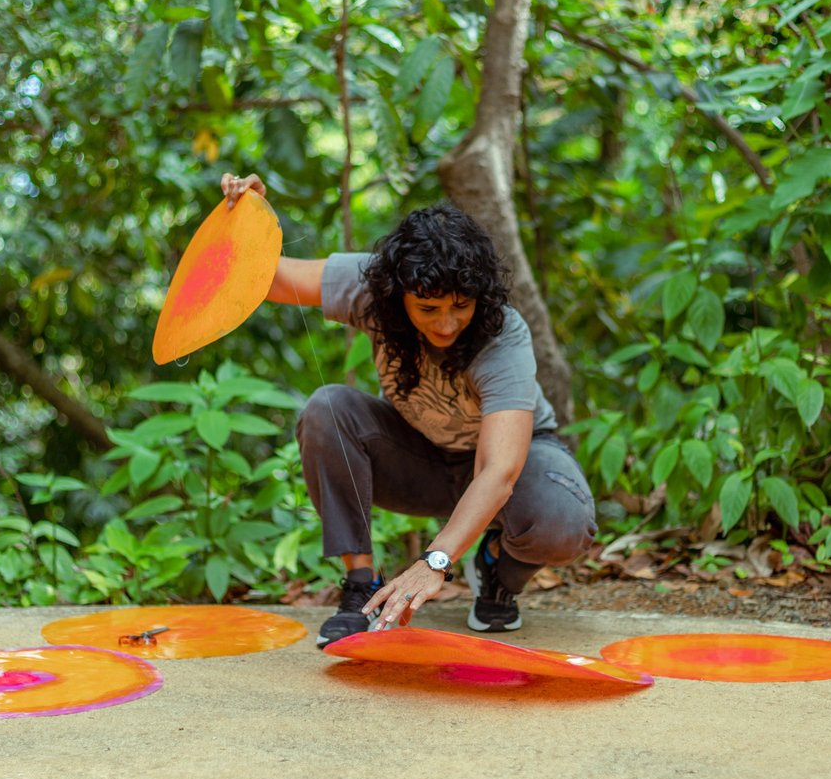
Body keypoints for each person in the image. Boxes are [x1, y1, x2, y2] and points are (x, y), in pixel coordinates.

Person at [221, 172, 597, 648]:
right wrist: (245, 216)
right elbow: (270, 279)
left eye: (461, 306)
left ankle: (496, 568)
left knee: (563, 522)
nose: (447, 323)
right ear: (399, 296)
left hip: (508, 468)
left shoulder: (502, 336)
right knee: (327, 407)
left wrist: (435, 561)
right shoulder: (373, 287)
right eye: (428, 308)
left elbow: (499, 469)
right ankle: (361, 586)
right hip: (417, 458)